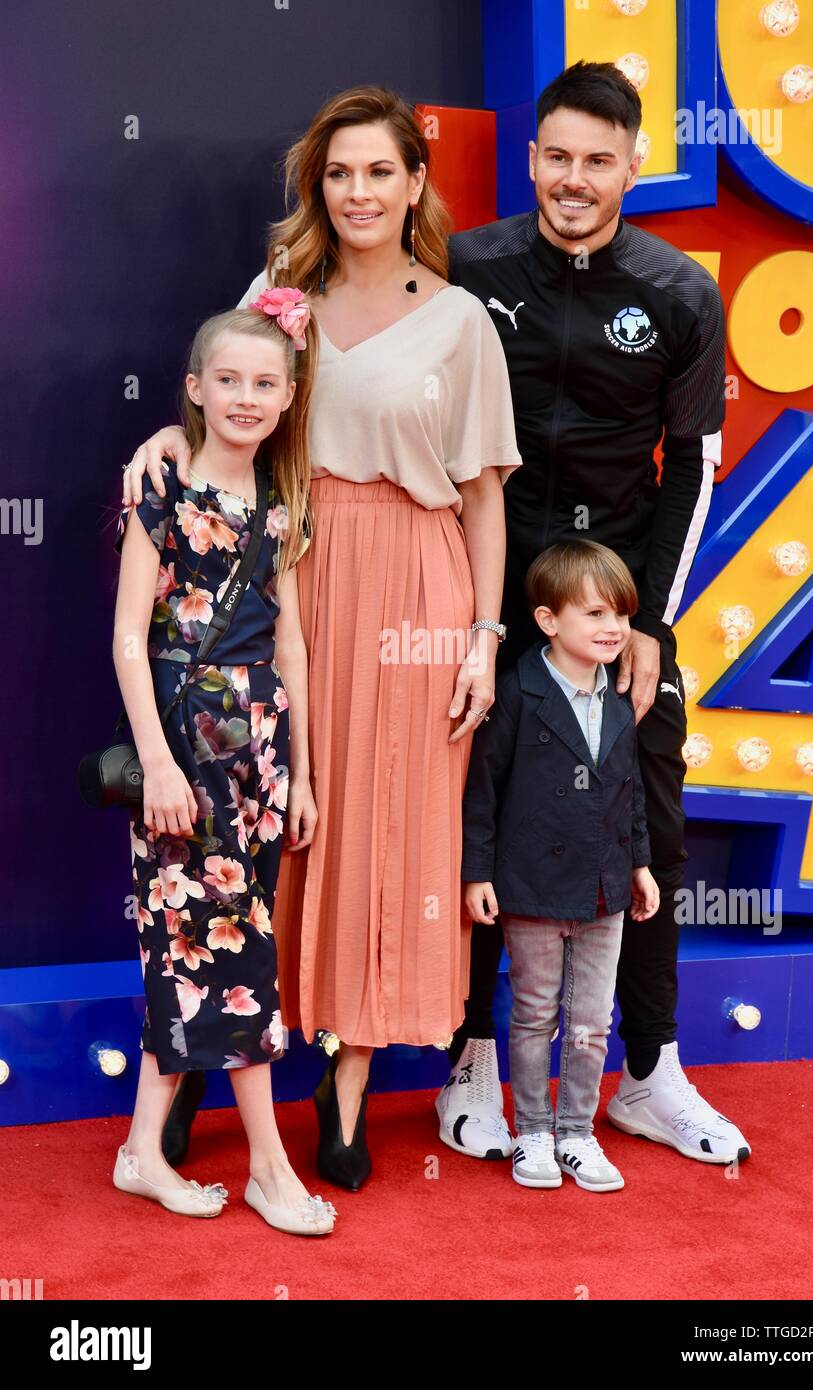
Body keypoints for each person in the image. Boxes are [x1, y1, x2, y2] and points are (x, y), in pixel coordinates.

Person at [121, 85, 523, 1189]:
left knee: (383, 825)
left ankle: (344, 1085)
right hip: (287, 579)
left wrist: (484, 637)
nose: (356, 192)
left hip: (415, 586)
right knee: (262, 817)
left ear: (413, 184)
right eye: (337, 173)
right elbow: (223, 398)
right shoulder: (278, 294)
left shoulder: (458, 319)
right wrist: (165, 431)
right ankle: (210, 1055)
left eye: (379, 172)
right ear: (319, 185)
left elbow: (483, 498)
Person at [437, 60, 752, 1165]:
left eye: (597, 160)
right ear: (529, 159)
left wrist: (646, 620)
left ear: (632, 168)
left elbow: (692, 468)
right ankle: (472, 1052)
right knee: (475, 815)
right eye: (556, 157)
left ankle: (649, 1070)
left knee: (645, 828)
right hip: (488, 594)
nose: (574, 179)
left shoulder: (677, 291)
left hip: (613, 610)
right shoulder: (464, 263)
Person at [112, 291, 337, 1234]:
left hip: (260, 749)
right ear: (197, 390)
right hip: (184, 743)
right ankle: (271, 1169)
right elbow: (127, 639)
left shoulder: (282, 509)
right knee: (234, 949)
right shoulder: (158, 489)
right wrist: (159, 765)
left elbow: (292, 653)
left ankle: (137, 1154)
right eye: (229, 381)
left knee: (198, 947)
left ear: (288, 397)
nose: (247, 397)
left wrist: (309, 777)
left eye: (266, 383)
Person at [461, 541, 659, 1189]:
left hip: (605, 887)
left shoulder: (620, 696)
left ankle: (578, 1132)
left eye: (622, 617)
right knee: (534, 1012)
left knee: (592, 1020)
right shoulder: (519, 691)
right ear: (549, 621)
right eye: (597, 614)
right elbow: (483, 790)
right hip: (532, 887)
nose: (614, 630)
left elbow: (628, 791)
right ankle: (533, 1133)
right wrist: (477, 873)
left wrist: (640, 866)